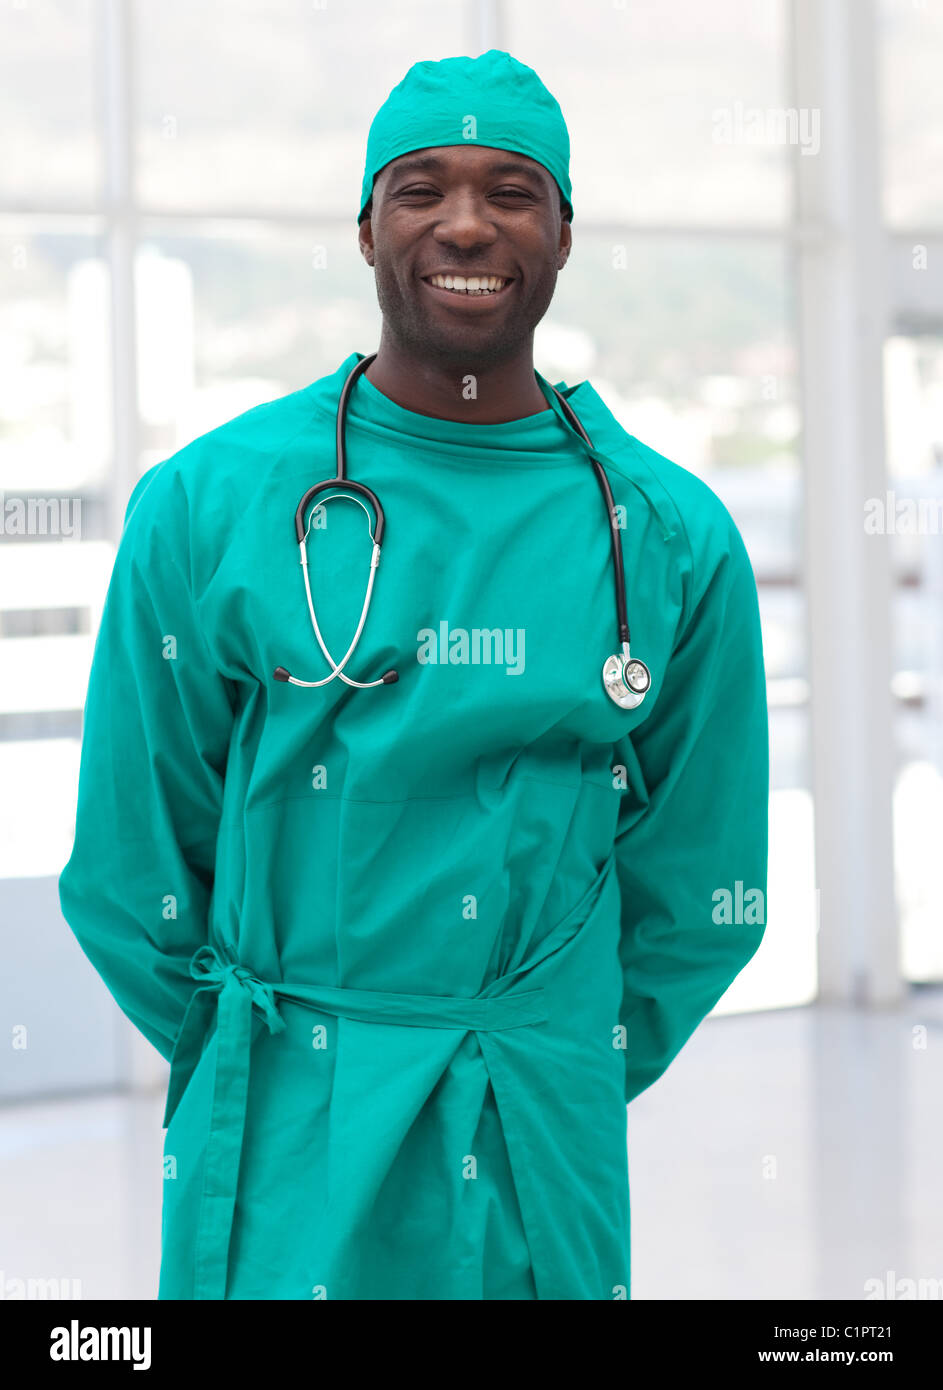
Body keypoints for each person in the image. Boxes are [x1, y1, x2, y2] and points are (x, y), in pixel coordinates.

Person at [58, 49, 769, 1301]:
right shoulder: (208, 507)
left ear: (560, 233)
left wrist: (553, 1052)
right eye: (419, 187)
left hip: (534, 1124)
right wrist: (264, 1069)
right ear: (364, 229)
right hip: (282, 1117)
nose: (465, 223)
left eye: (511, 190)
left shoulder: (666, 533)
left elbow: (702, 883)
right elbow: (132, 869)